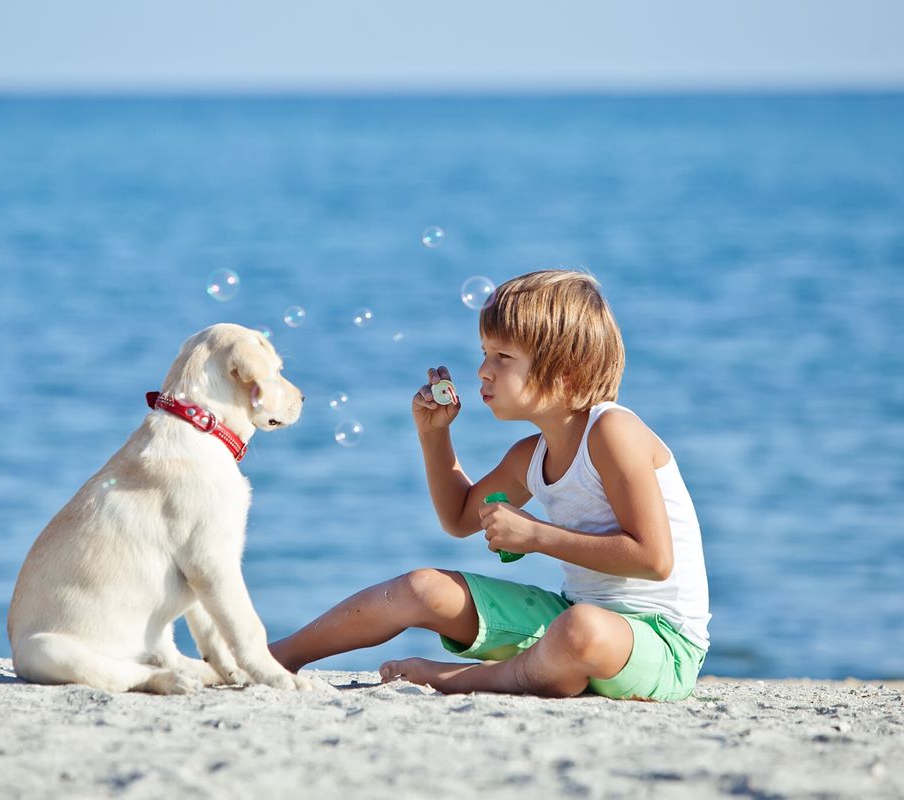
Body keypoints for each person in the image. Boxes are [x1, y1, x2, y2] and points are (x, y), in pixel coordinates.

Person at [269, 269, 711, 700]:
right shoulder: (529, 456)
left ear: (566, 373)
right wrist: (434, 436)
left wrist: (537, 535)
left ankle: (459, 678)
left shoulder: (613, 432)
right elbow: (460, 518)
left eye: (503, 357)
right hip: (573, 619)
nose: (483, 370)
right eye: (484, 353)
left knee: (580, 632)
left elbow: (653, 559)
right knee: (421, 588)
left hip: (661, 642)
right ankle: (275, 656)